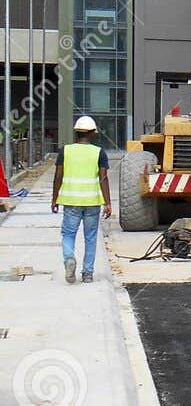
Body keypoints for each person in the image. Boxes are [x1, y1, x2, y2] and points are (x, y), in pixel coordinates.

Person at [52, 115, 112, 285]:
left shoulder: (65, 150)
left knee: (68, 234)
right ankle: (87, 274)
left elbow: (58, 176)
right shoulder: (99, 152)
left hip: (71, 201)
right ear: (92, 133)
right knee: (91, 237)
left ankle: (69, 259)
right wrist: (108, 203)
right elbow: (104, 178)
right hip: (92, 202)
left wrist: (54, 199)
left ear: (76, 132)